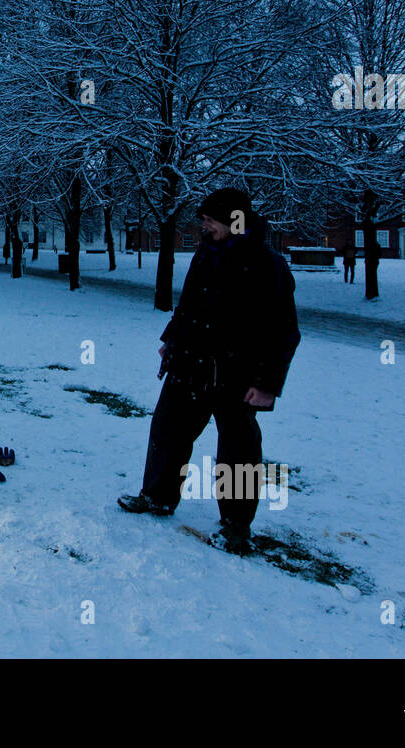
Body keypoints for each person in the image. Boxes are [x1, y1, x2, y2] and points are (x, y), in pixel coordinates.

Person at [117, 188, 301, 554]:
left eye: (211, 220)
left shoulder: (267, 265)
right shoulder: (205, 253)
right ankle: (157, 497)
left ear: (236, 221)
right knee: (168, 431)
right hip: (188, 364)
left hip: (236, 374)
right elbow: (188, 305)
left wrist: (267, 384)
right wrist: (171, 339)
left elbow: (284, 331)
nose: (204, 226)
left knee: (237, 450)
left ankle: (236, 525)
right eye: (203, 220)